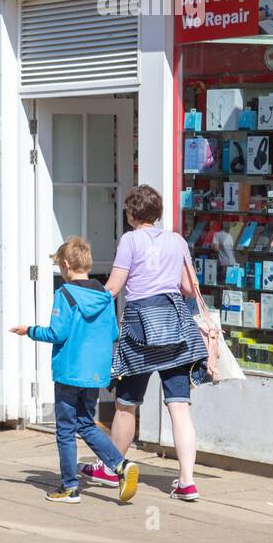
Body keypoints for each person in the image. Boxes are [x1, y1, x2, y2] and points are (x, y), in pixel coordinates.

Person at [85, 185, 213, 501]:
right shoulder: (177, 240)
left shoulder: (130, 240)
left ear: (131, 214)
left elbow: (114, 287)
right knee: (179, 406)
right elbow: (187, 287)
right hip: (176, 326)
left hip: (141, 330)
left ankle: (111, 467)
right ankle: (187, 482)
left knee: (126, 404)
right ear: (156, 213)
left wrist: (85, 305)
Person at [11, 237, 140, 504]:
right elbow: (114, 332)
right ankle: (120, 464)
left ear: (67, 266)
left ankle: (69, 487)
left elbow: (57, 332)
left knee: (66, 429)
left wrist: (29, 331)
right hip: (95, 373)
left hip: (70, 371)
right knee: (85, 423)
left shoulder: (65, 294)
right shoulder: (105, 296)